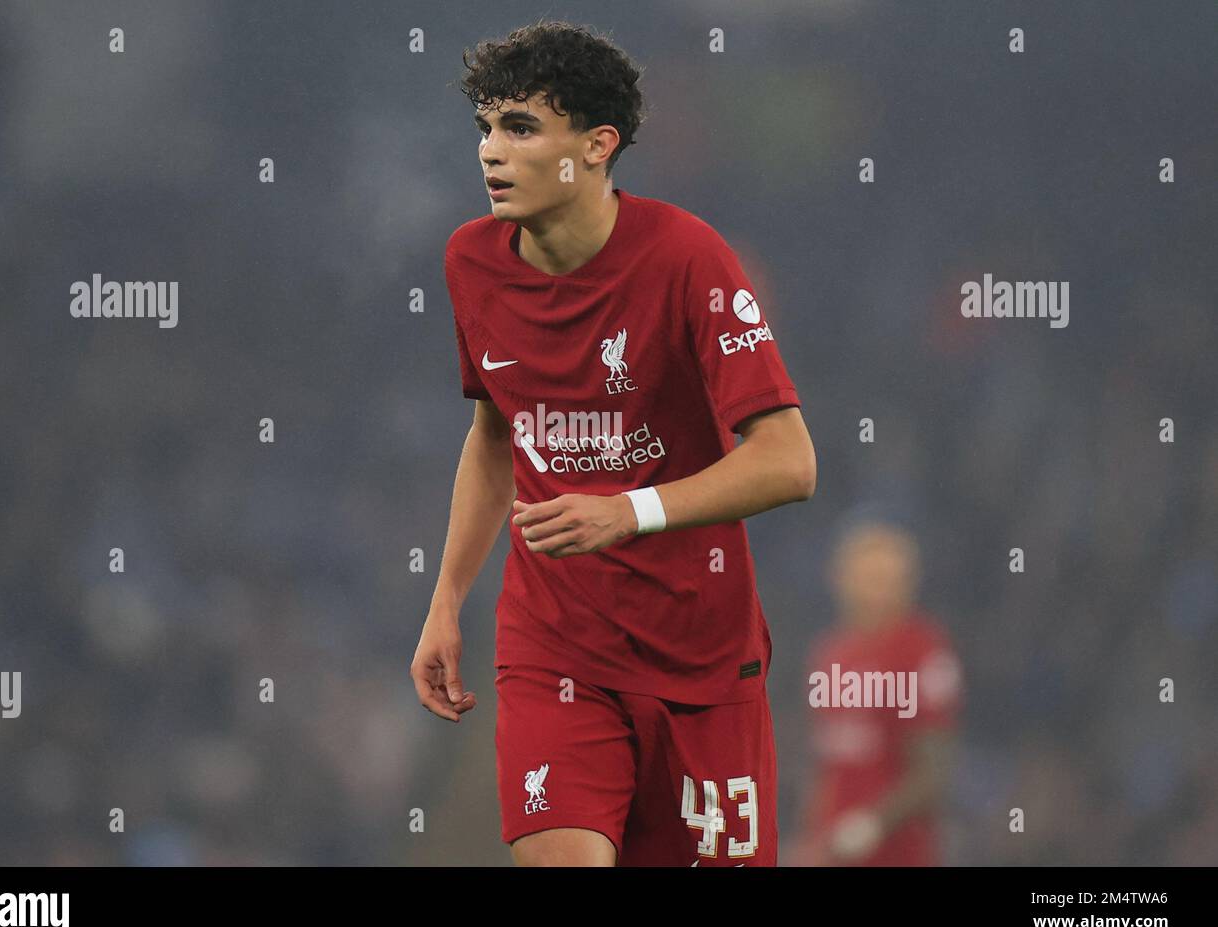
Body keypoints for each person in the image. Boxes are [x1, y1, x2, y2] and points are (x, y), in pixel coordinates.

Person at [411, 20, 816, 866]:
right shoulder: (471, 262)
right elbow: (495, 433)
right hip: (555, 643)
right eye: (486, 127)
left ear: (597, 145)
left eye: (520, 128)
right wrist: (448, 596)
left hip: (702, 660)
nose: (491, 151)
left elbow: (789, 460)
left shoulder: (689, 259)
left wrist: (628, 512)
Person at [785, 520, 963, 866]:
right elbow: (825, 761)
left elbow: (935, 770)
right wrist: (810, 839)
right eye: (868, 577)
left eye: (887, 580)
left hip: (899, 855)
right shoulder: (829, 653)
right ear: (840, 578)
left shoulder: (923, 651)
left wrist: (871, 824)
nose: (876, 591)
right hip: (832, 853)